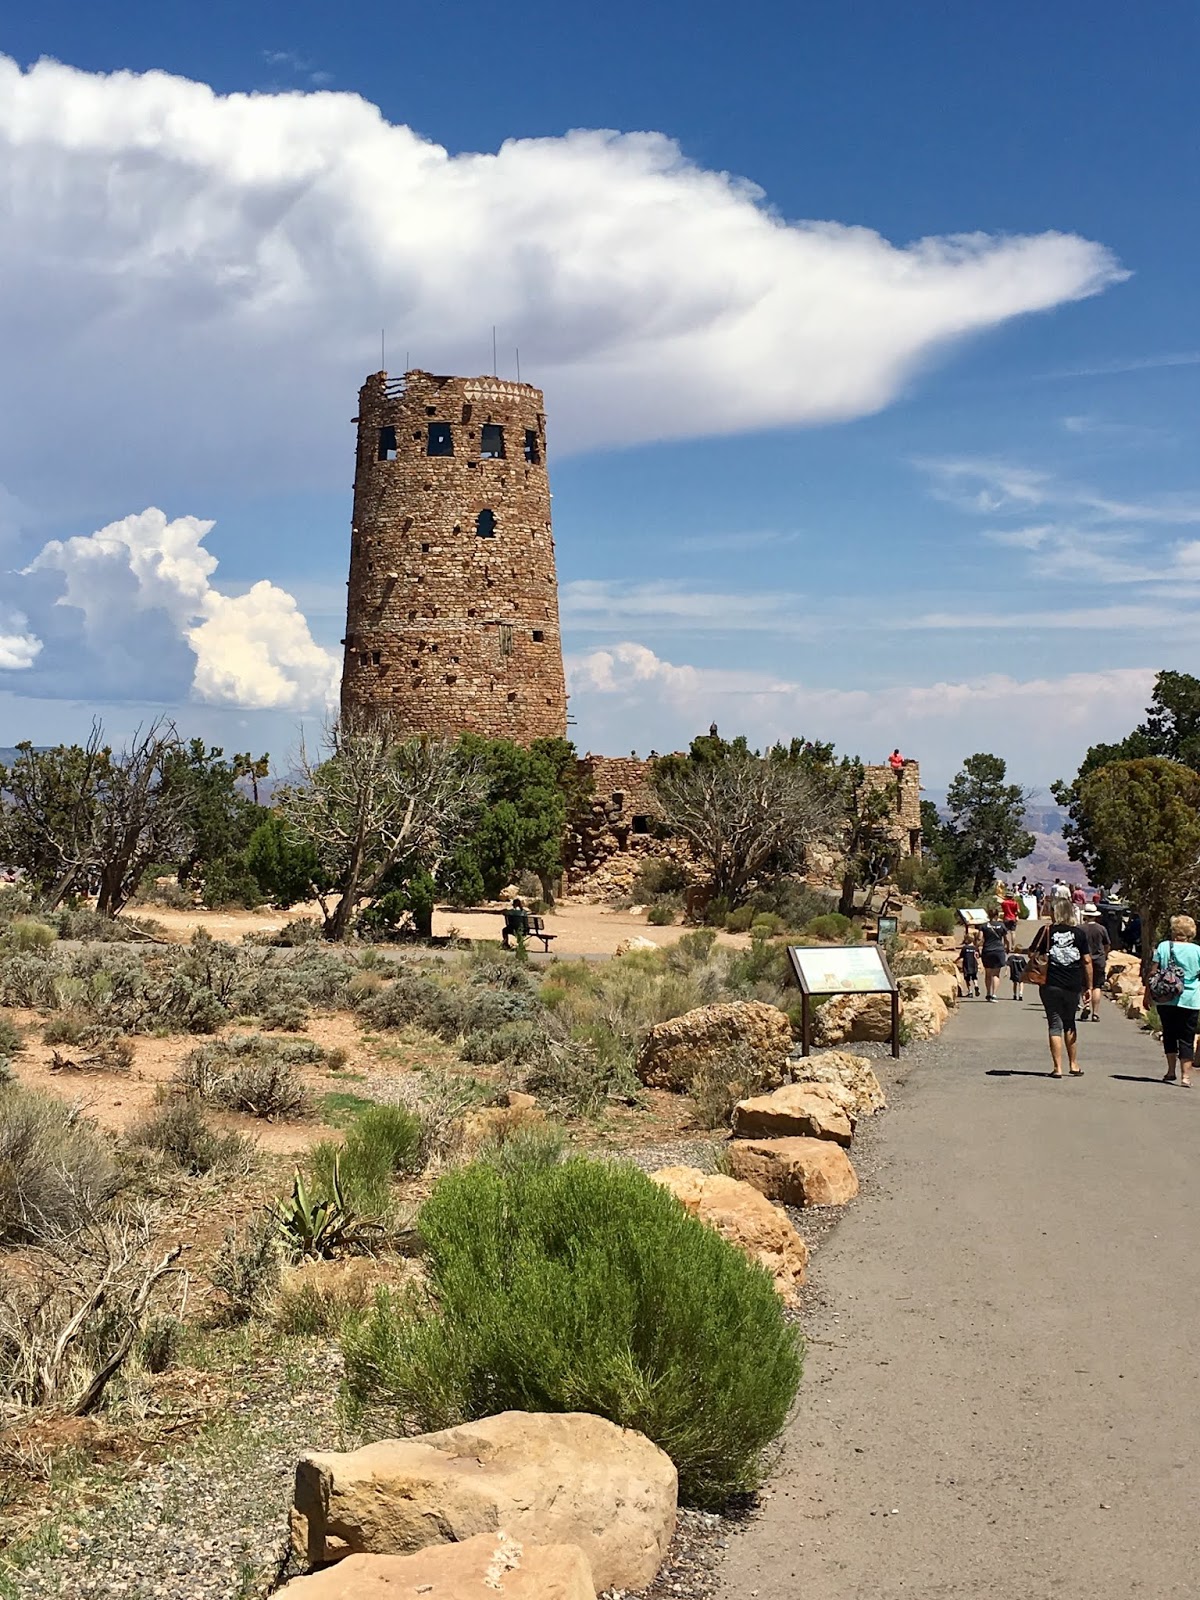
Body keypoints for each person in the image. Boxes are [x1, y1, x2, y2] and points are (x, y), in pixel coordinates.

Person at [1031, 916, 1092, 1077]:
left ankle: (1057, 1068)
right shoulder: (1079, 933)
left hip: (1050, 983)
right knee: (1070, 1022)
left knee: (1054, 1024)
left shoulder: (1047, 931)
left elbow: (1032, 951)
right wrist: (1089, 986)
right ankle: (1073, 1064)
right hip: (1072, 984)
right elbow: (1086, 960)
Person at [1144, 916, 1200, 1087]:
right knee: (1187, 1037)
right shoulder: (1197, 950)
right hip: (1191, 999)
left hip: (1166, 998)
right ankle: (1186, 1076)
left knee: (1169, 1033)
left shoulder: (1164, 946)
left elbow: (1153, 972)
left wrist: (1147, 994)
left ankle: (1170, 1071)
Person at [1079, 905, 1111, 1022]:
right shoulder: (1101, 929)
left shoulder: (1080, 928)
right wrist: (1105, 955)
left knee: (1084, 985)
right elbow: (1107, 945)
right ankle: (1095, 1013)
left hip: (1083, 959)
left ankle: (1086, 1005)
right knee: (1097, 986)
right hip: (1099, 959)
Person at [978, 908, 1011, 1002]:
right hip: (998, 950)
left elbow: (980, 938)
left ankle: (988, 993)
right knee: (996, 974)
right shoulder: (1002, 925)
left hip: (987, 950)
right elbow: (1006, 938)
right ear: (997, 916)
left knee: (988, 973)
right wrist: (1008, 947)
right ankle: (994, 994)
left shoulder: (984, 926)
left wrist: (976, 947)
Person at [957, 934, 981, 998]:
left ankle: (970, 991)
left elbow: (961, 956)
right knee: (974, 977)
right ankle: (976, 985)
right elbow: (978, 956)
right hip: (974, 965)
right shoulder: (975, 948)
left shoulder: (965, 948)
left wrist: (956, 960)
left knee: (967, 979)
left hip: (967, 965)